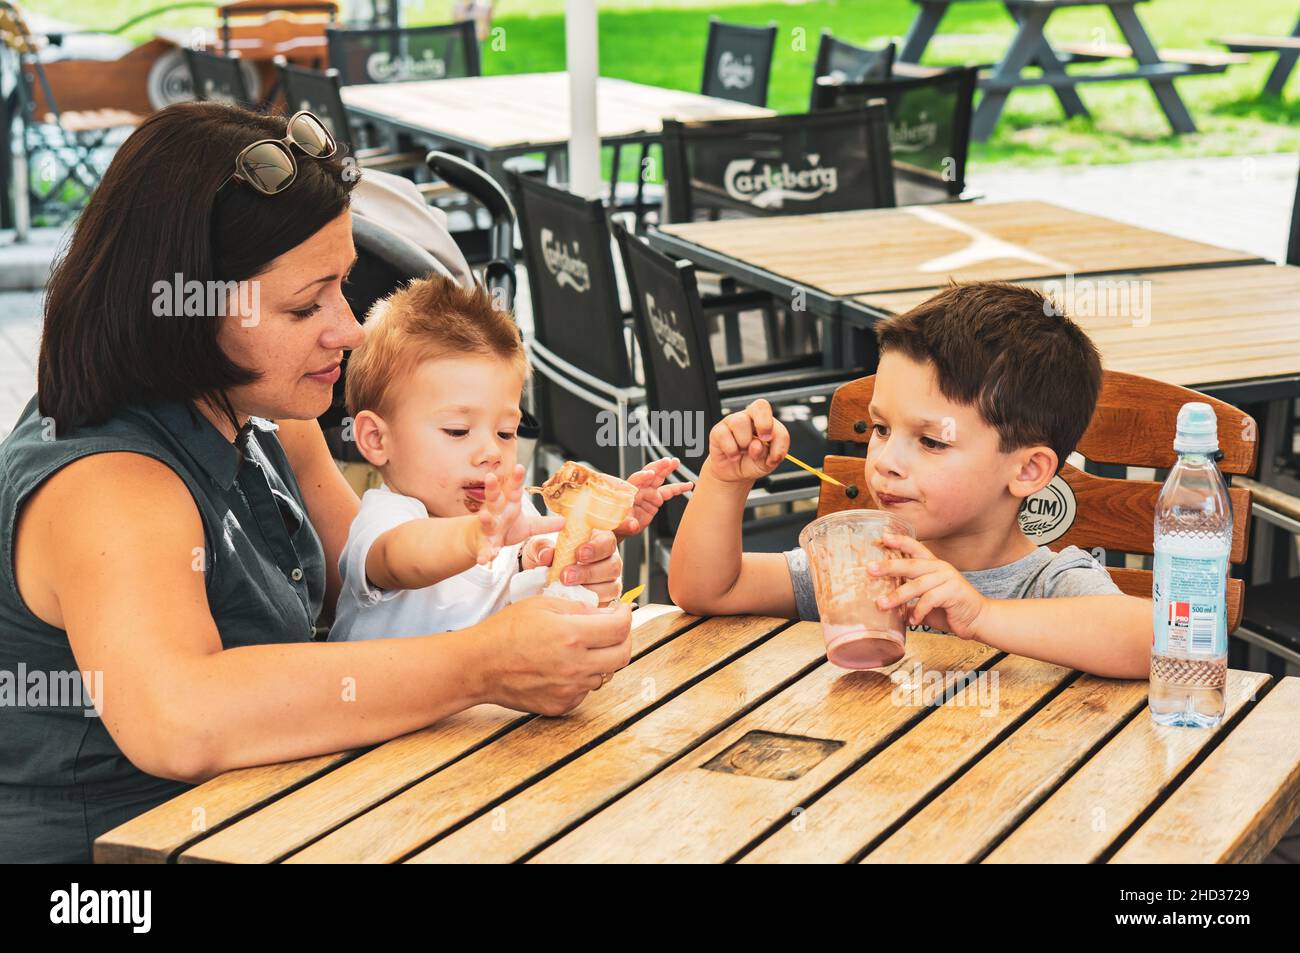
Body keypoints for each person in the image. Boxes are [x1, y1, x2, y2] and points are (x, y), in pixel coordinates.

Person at [0, 103, 632, 864]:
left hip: (286, 815)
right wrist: (484, 662)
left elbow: (358, 565)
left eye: (342, 285)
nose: (350, 328)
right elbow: (182, 716)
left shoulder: (258, 403)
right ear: (187, 310)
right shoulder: (108, 484)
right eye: (306, 304)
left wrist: (525, 571)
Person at [668, 281, 1151, 679]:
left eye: (932, 442)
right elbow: (710, 590)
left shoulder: (1048, 584)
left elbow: (1155, 641)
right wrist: (725, 481)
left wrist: (981, 614)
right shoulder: (864, 569)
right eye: (881, 428)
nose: (885, 461)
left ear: (1027, 471)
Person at [329, 275, 689, 642]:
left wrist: (599, 529)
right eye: (457, 431)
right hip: (391, 698)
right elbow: (400, 559)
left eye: (505, 433)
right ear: (376, 439)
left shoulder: (512, 515)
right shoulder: (387, 520)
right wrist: (480, 537)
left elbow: (551, 576)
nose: (490, 453)